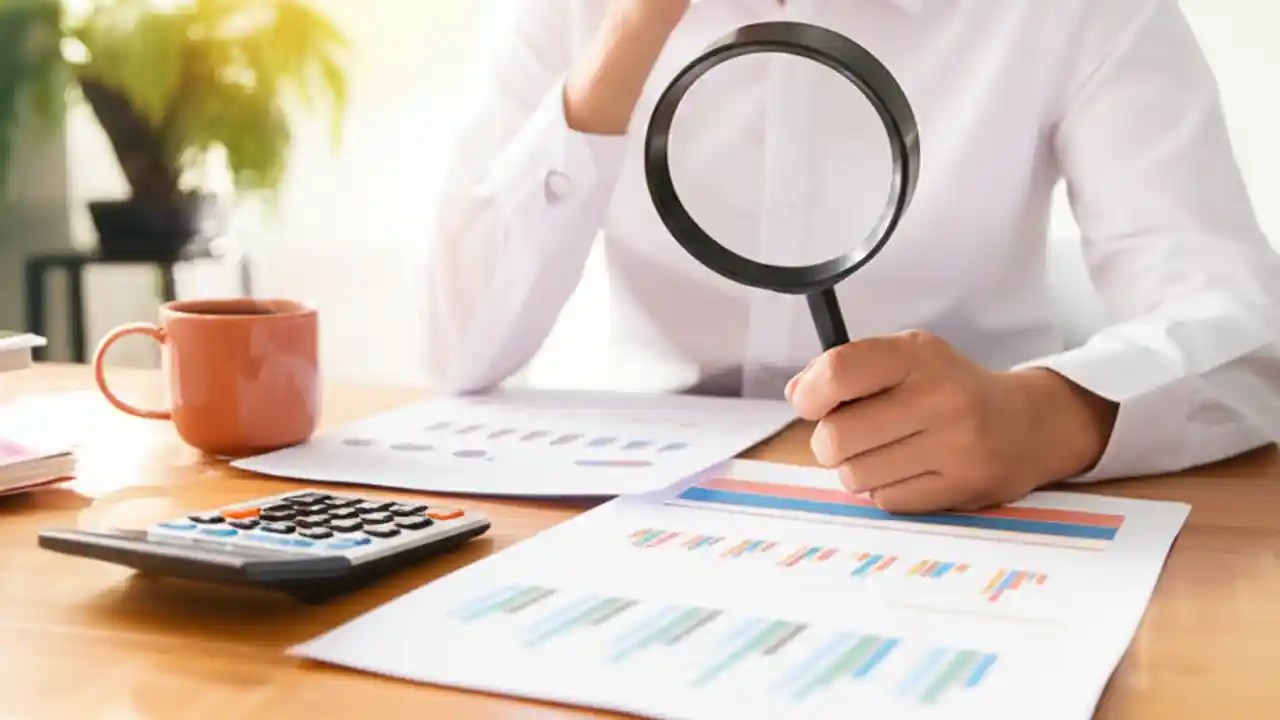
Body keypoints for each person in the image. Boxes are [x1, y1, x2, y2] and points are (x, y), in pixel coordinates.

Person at [416, 0, 1280, 512]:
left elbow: (1247, 340)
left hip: (968, 514)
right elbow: (455, 351)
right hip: (641, 506)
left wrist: (1051, 417)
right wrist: (630, 29)